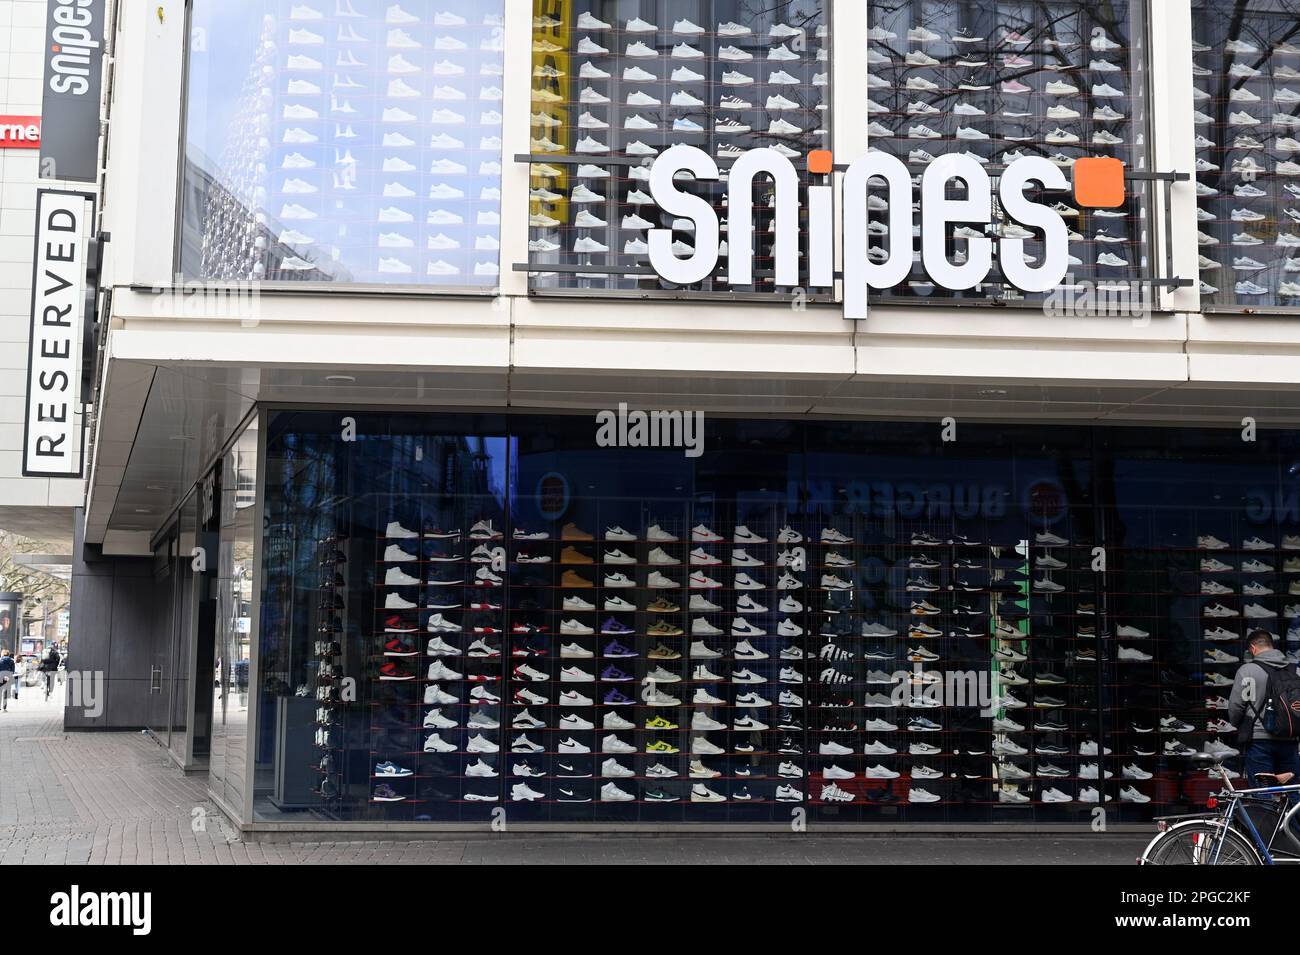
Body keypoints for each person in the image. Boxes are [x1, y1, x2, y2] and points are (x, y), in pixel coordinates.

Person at [1229, 629, 1300, 787]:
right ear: (1271, 645)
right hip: (1290, 738)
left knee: (1262, 793)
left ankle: (1267, 812)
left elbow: (1235, 707)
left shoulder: (1247, 670)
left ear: (1253, 648)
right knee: (1293, 790)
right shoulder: (1294, 670)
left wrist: (1240, 726)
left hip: (1259, 740)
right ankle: (1292, 813)